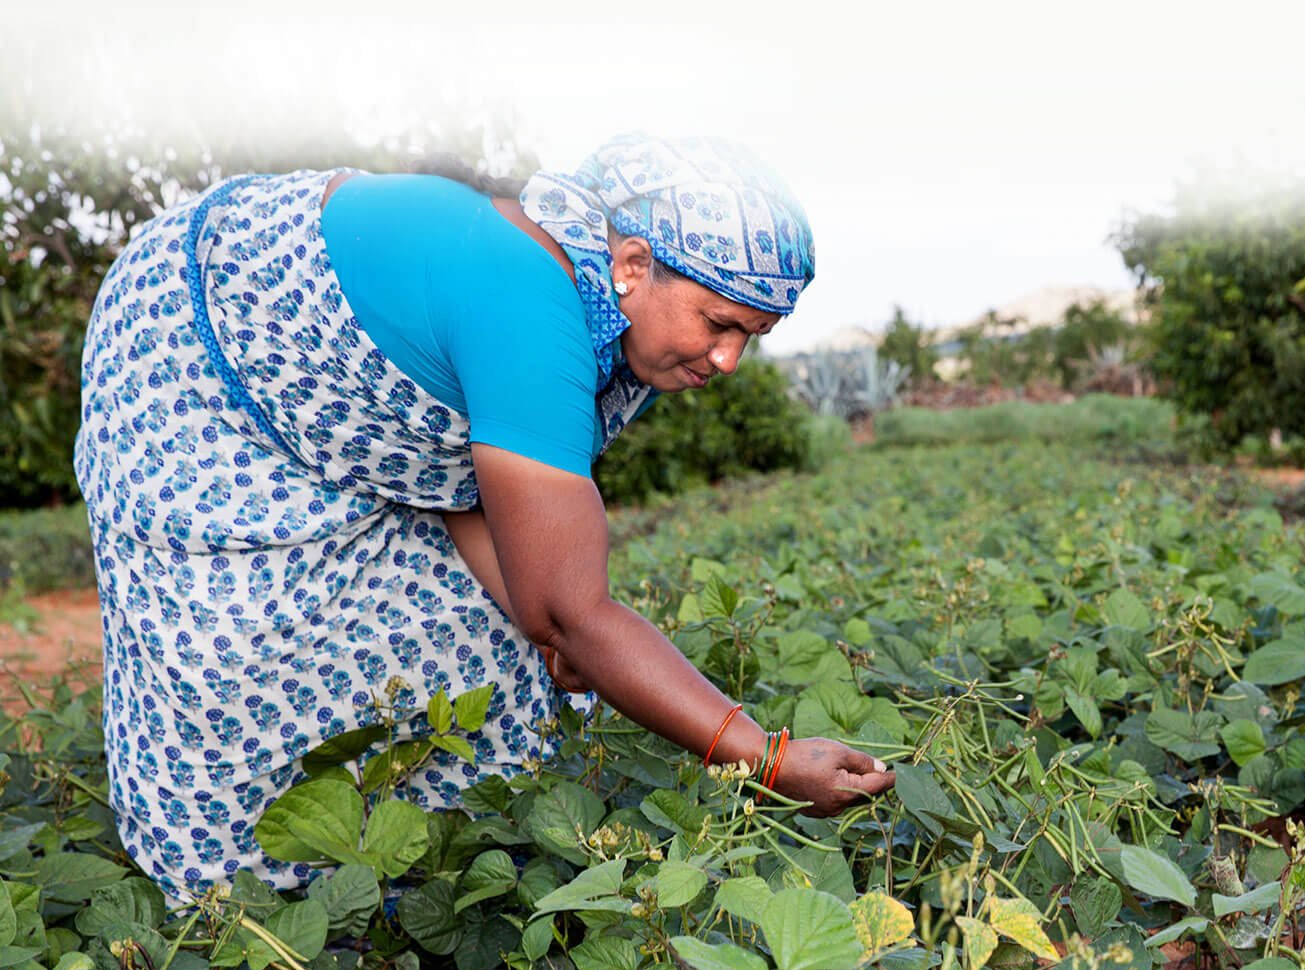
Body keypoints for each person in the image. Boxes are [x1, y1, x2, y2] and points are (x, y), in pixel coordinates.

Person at [73, 132, 894, 903]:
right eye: (719, 325)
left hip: (314, 372)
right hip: (190, 343)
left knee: (493, 638)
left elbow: (467, 492)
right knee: (241, 653)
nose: (727, 360)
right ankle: (232, 908)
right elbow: (575, 613)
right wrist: (765, 757)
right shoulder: (532, 313)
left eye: (751, 336)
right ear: (634, 264)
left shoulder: (603, 312)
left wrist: (548, 627)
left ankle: (423, 883)